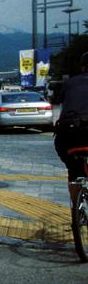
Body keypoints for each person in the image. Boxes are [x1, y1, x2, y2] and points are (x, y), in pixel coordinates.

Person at [54, 51, 88, 203]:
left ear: (82, 67)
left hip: (70, 132)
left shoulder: (70, 83)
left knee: (74, 169)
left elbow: (57, 102)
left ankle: (76, 206)